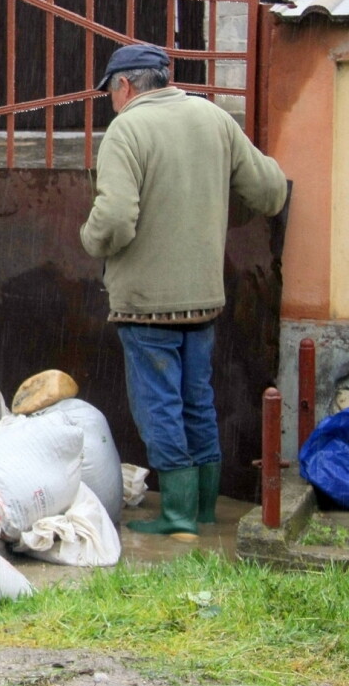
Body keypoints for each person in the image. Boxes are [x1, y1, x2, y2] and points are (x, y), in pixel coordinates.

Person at [80, 44, 285, 538]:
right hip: (204, 298)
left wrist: (90, 240)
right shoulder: (213, 119)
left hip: (146, 305)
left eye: (110, 92)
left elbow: (115, 220)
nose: (111, 101)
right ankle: (205, 510)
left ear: (125, 85)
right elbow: (271, 191)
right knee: (198, 402)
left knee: (160, 409)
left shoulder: (127, 129)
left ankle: (175, 516)